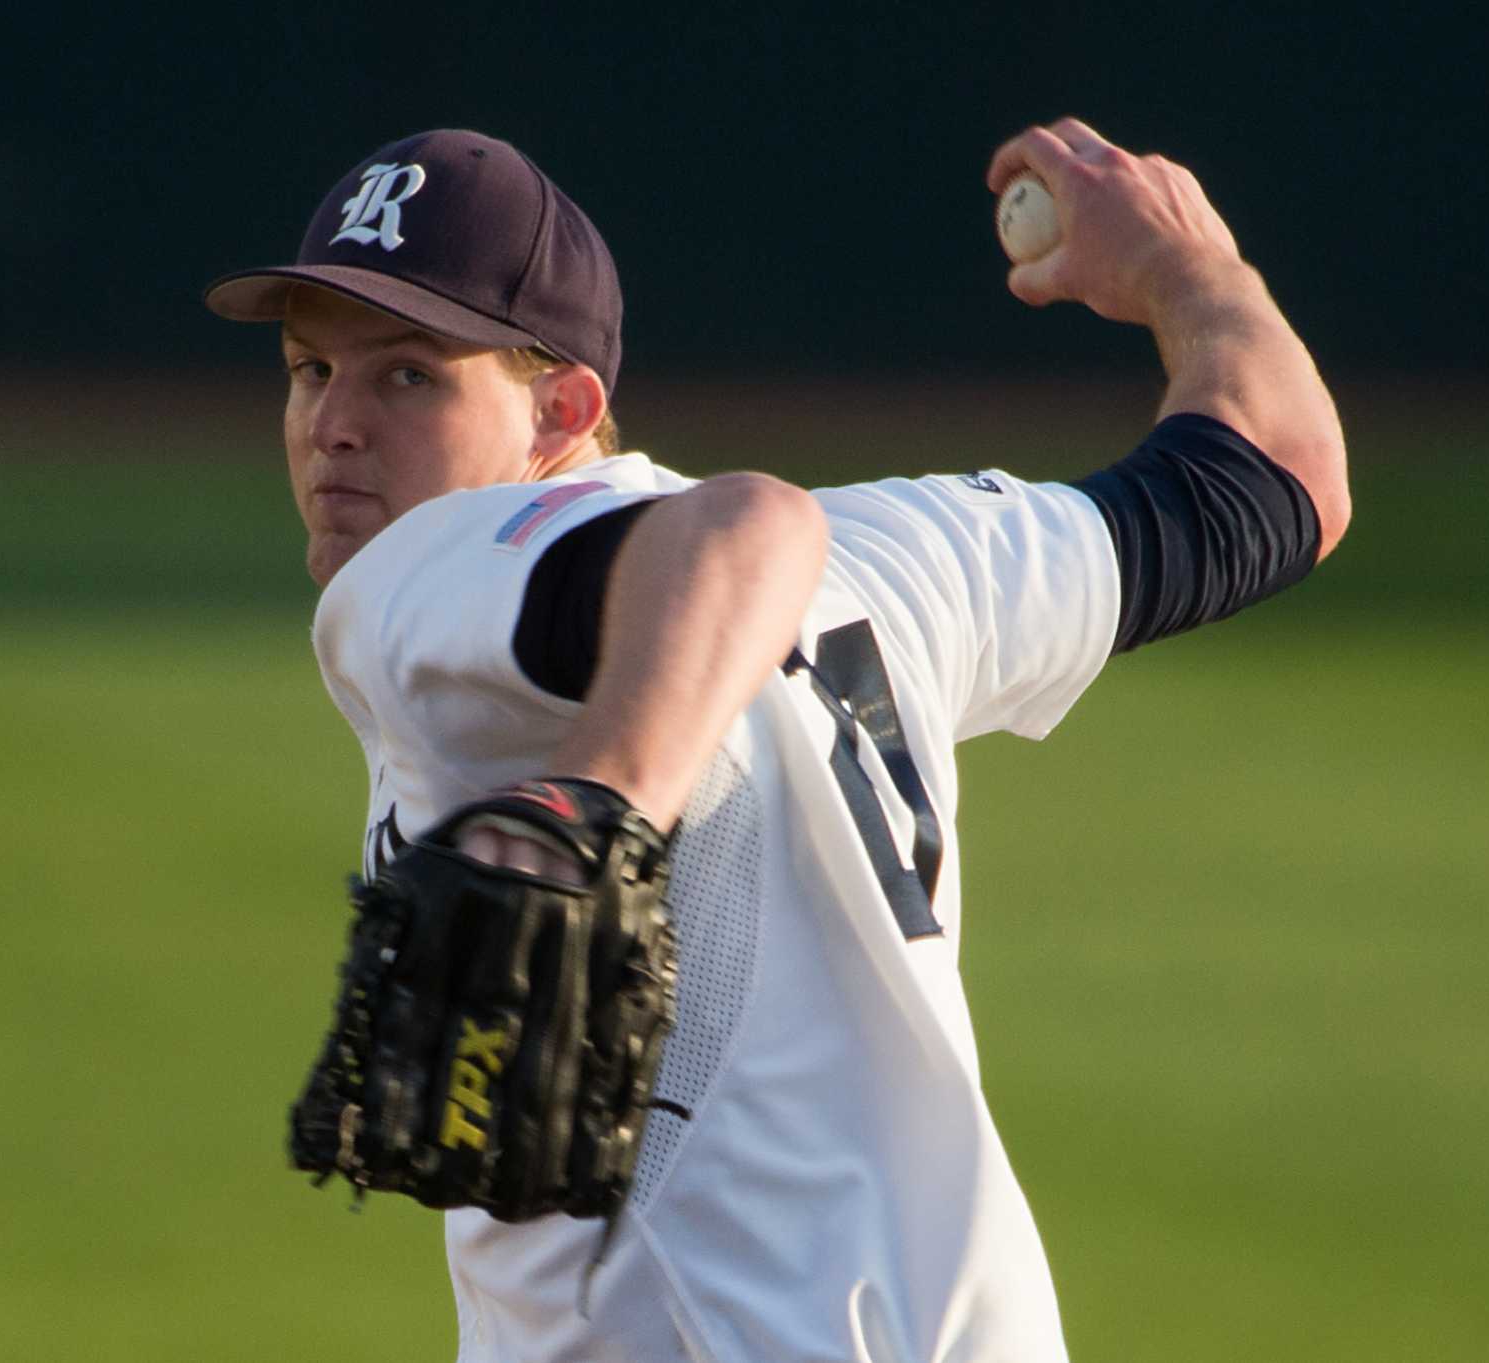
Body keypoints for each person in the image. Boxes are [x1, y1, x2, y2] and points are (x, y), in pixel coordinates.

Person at [205, 119, 1348, 1363]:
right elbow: (1273, 476)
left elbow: (742, 522)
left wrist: (594, 802)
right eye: (310, 369)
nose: (335, 426)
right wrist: (1193, 274)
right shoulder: (898, 561)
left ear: (562, 408)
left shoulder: (424, 581)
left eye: (410, 373)